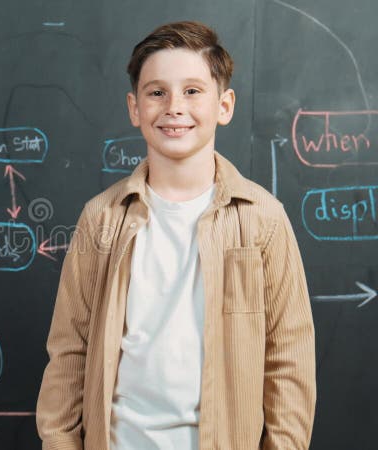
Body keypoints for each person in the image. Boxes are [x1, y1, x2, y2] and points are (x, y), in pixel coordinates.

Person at [37, 21, 315, 450]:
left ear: (224, 106)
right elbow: (70, 351)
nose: (173, 107)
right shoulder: (101, 219)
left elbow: (289, 361)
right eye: (156, 92)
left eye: (192, 91)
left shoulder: (263, 220)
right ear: (134, 108)